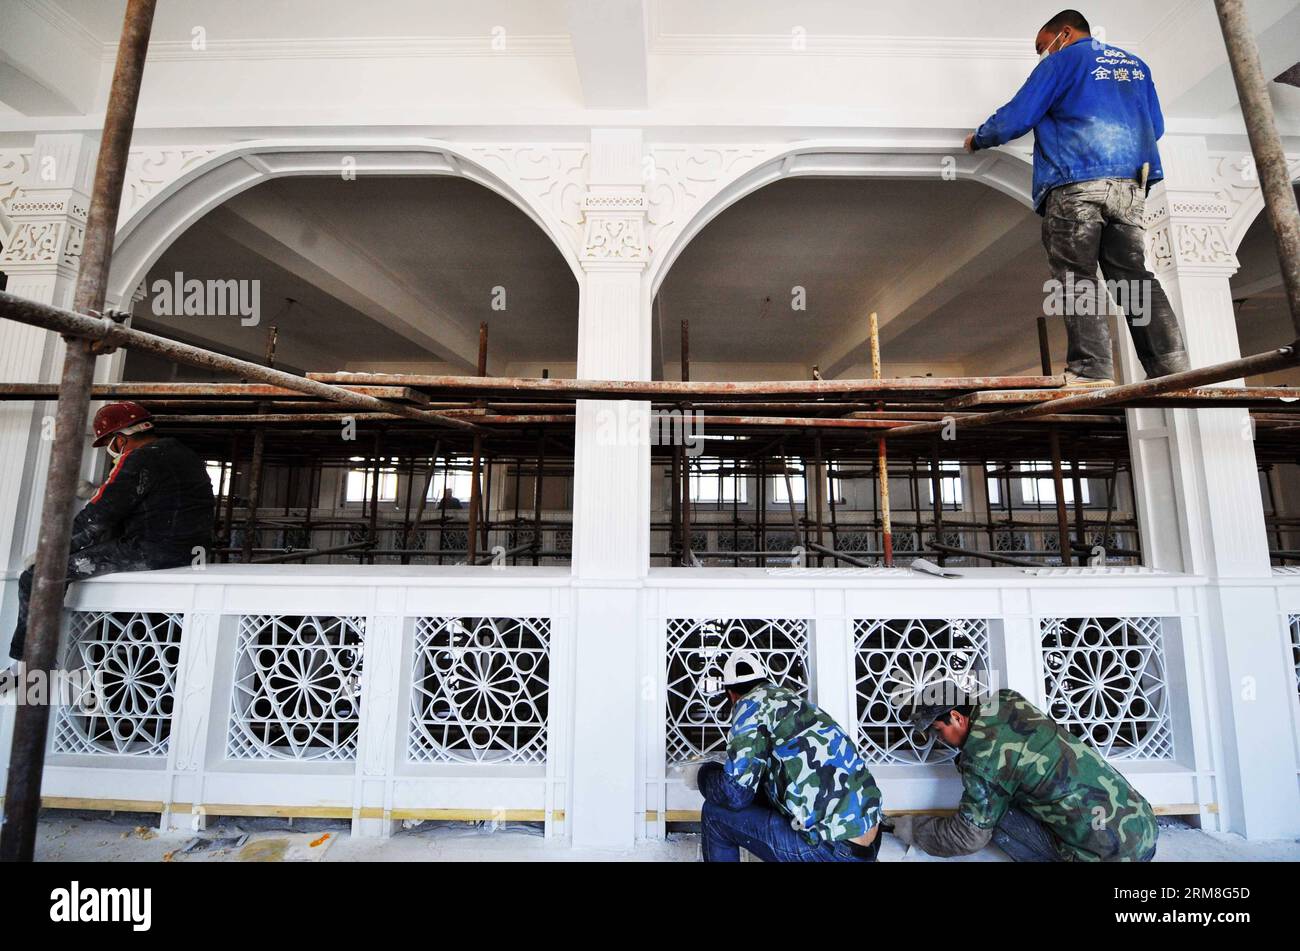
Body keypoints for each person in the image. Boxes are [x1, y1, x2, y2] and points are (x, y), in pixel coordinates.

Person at [964, 9, 1190, 388]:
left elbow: (1015, 119)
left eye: (1043, 47)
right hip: (1131, 187)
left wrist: (979, 139)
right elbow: (1157, 127)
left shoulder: (1062, 62)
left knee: (1076, 277)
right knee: (1131, 276)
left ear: (1064, 33)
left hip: (1077, 185)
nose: (1043, 55)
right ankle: (1171, 366)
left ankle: (1092, 370)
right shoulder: (1135, 65)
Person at [2, 402, 214, 687]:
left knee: (37, 577)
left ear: (121, 438)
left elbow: (97, 519)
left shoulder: (138, 458)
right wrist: (94, 492)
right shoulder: (182, 454)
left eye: (109, 444)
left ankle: (27, 667)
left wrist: (51, 553)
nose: (110, 451)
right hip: (188, 550)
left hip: (152, 550)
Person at [891, 678, 1159, 861]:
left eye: (938, 732)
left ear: (957, 718)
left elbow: (967, 837)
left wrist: (912, 829)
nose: (939, 741)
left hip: (1111, 857)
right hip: (1145, 831)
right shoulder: (1008, 702)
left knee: (995, 817)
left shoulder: (983, 758)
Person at [693, 649, 884, 862]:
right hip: (869, 842)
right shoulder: (791, 700)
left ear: (732, 695)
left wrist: (703, 775)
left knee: (714, 813)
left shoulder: (749, 705)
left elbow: (735, 794)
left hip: (835, 849)